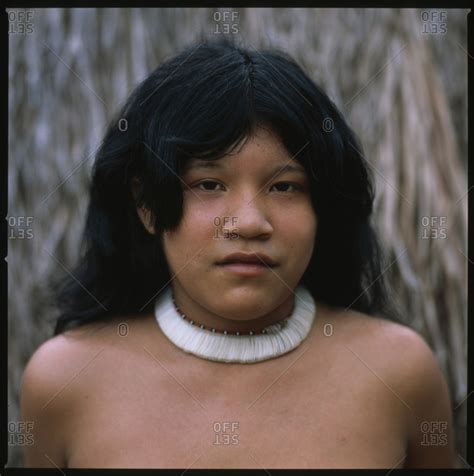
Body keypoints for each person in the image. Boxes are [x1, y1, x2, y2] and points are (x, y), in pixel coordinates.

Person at [20, 38, 456, 469]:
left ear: (323, 208)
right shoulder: (65, 383)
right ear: (147, 205)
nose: (248, 223)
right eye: (209, 184)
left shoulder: (400, 374)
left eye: (284, 187)